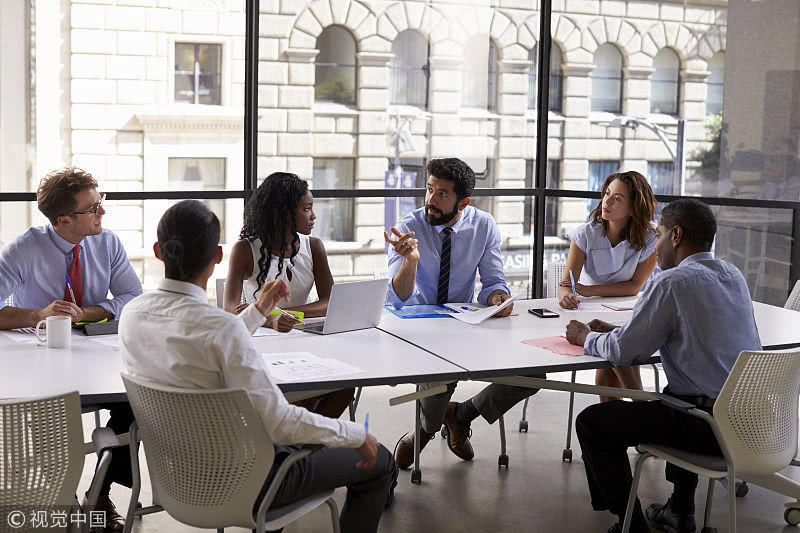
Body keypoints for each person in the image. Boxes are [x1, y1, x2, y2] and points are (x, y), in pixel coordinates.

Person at [119, 200, 397, 533]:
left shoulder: (133, 314)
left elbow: (214, 341)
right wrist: (356, 435)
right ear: (217, 257)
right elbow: (279, 423)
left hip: (177, 479)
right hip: (250, 482)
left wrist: (259, 310)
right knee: (380, 461)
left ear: (157, 251)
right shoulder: (221, 329)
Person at [565, 199, 761, 533]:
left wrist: (585, 338)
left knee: (592, 423)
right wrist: (631, 329)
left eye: (659, 235)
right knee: (678, 394)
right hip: (750, 421)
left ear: (676, 235)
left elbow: (623, 352)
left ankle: (632, 526)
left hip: (707, 428)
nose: (655, 246)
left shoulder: (671, 282)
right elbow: (696, 332)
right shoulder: (732, 275)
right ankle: (680, 512)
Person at [0, 167, 143, 532]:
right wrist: (38, 313)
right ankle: (59, 499)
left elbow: (133, 298)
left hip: (97, 354)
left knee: (135, 398)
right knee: (52, 415)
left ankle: (100, 491)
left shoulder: (107, 242)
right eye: (93, 208)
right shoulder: (25, 249)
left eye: (101, 203)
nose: (102, 213)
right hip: (41, 359)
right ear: (64, 219)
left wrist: (88, 312)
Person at [385, 157, 540, 469]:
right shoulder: (406, 229)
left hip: (463, 323)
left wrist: (498, 297)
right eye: (429, 189)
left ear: (463, 201)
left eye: (442, 193)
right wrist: (410, 260)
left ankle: (462, 413)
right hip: (418, 328)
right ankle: (425, 432)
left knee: (533, 374)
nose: (431, 199)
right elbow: (398, 297)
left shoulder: (483, 226)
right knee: (439, 373)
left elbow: (494, 282)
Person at [225, 172, 354, 419]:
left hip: (303, 342)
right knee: (296, 392)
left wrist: (285, 314)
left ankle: (297, 447)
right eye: (306, 209)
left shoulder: (313, 246)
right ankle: (294, 442)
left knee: (346, 387)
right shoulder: (244, 250)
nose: (313, 216)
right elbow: (230, 311)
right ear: (284, 213)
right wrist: (269, 318)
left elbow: (329, 303)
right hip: (260, 344)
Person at [558, 171, 658, 402]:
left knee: (612, 357)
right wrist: (566, 295)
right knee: (610, 365)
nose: (607, 202)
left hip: (629, 310)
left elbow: (634, 287)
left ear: (634, 207)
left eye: (618, 198)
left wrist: (586, 291)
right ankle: (639, 407)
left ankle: (637, 409)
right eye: (607, 194)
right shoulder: (585, 234)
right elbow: (567, 284)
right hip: (592, 312)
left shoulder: (651, 236)